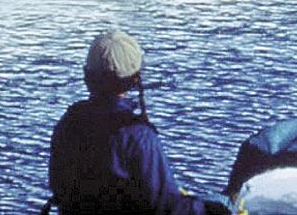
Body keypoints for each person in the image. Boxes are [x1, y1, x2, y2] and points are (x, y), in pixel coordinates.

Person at [47, 29, 231, 215]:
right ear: (134, 80)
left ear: (87, 76)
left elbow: (57, 184)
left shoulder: (69, 122)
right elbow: (165, 205)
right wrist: (210, 210)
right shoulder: (138, 136)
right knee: (221, 202)